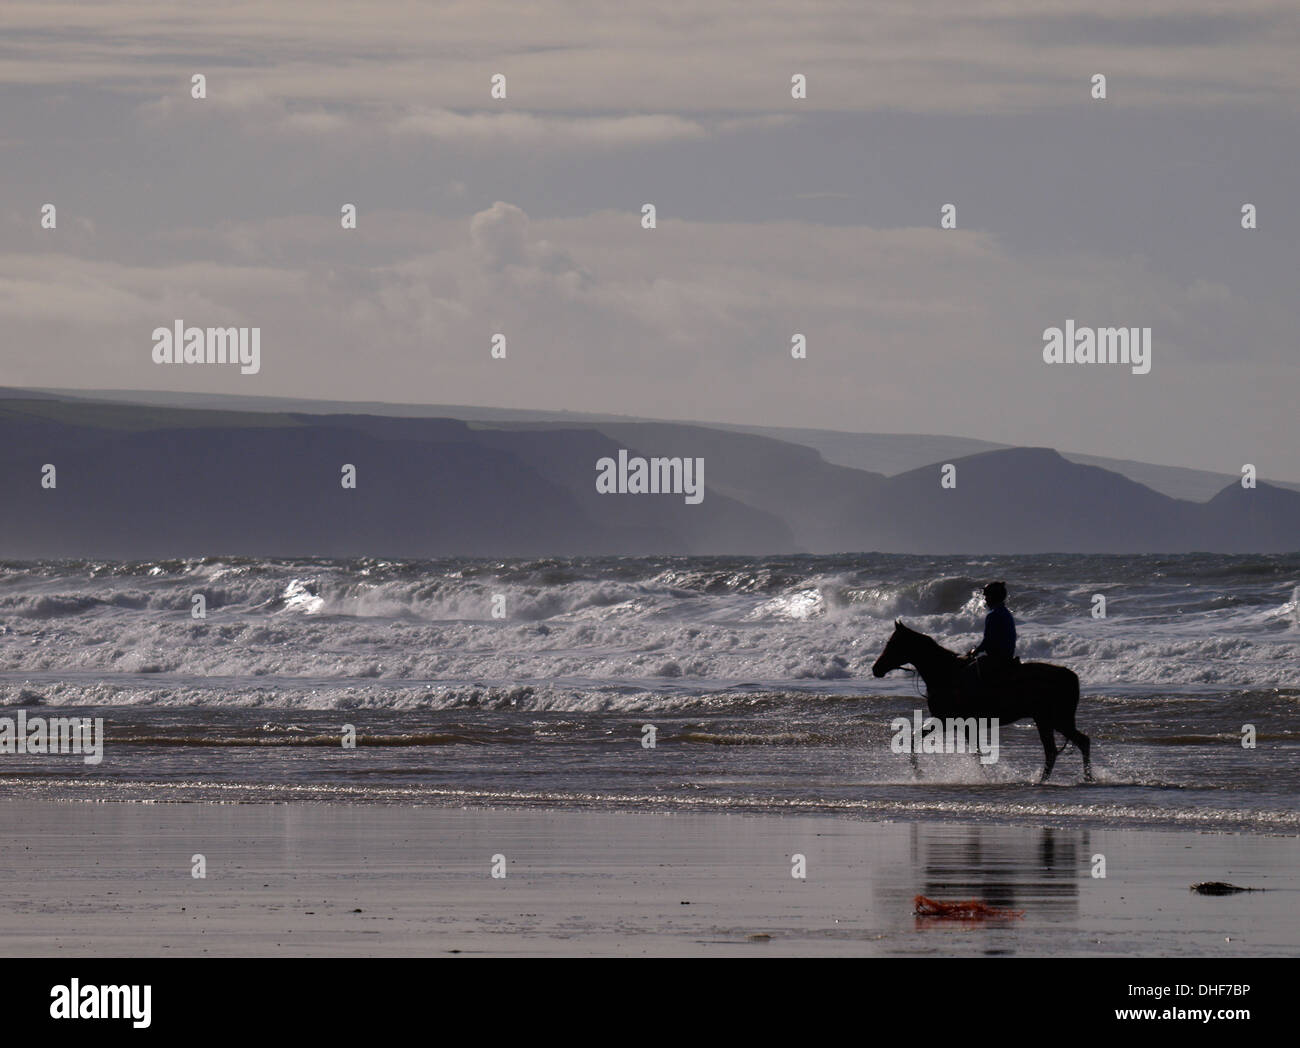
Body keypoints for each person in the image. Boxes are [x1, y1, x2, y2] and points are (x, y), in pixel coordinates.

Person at [963, 581, 1017, 696]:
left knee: (969, 673)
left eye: (987, 595)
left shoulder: (993, 615)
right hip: (1008, 656)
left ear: (993, 597)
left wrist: (974, 651)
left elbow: (988, 642)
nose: (985, 599)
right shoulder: (1005, 612)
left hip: (997, 659)